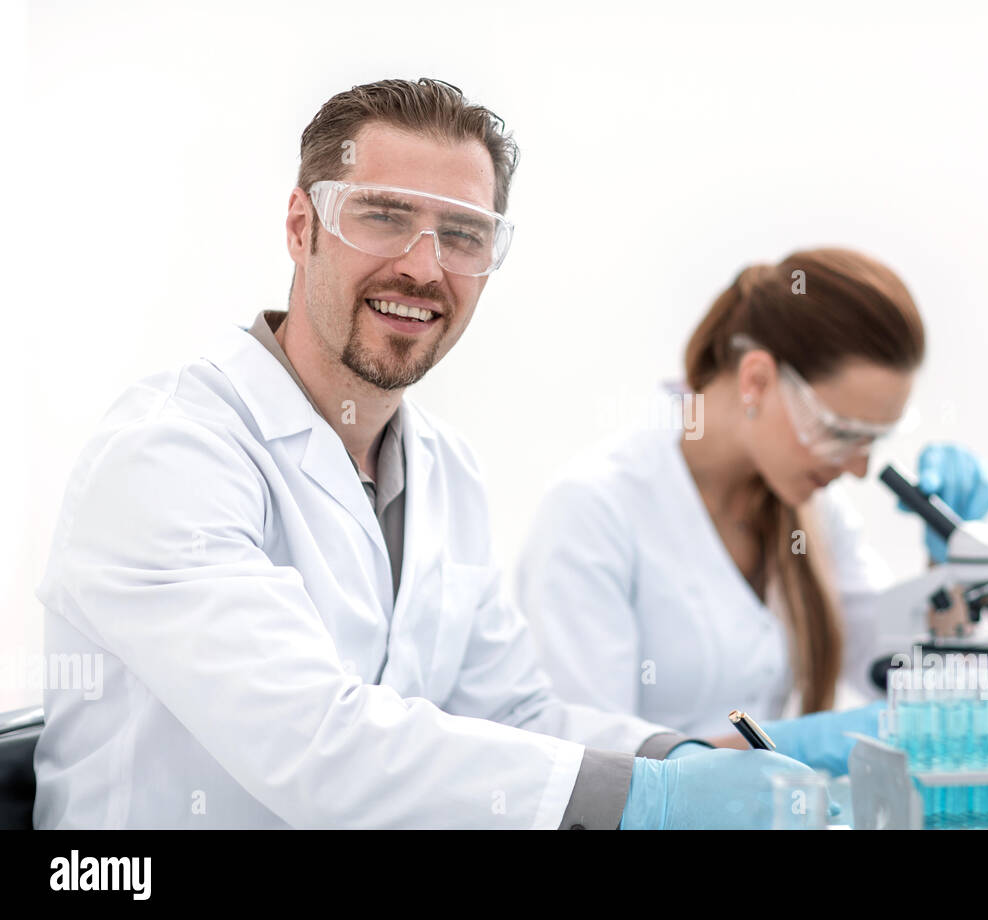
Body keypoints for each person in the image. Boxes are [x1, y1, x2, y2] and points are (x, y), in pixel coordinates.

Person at [32, 78, 825, 830]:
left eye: (462, 235)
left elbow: (512, 713)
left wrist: (679, 754)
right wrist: (645, 799)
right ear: (302, 226)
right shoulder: (169, 454)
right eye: (382, 216)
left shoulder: (446, 469)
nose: (422, 264)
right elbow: (315, 743)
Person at [515, 249, 988, 767]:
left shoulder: (816, 512)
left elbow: (892, 671)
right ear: (757, 382)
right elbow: (584, 760)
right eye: (842, 433)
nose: (860, 469)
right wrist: (795, 748)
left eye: (875, 440)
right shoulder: (596, 510)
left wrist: (945, 581)